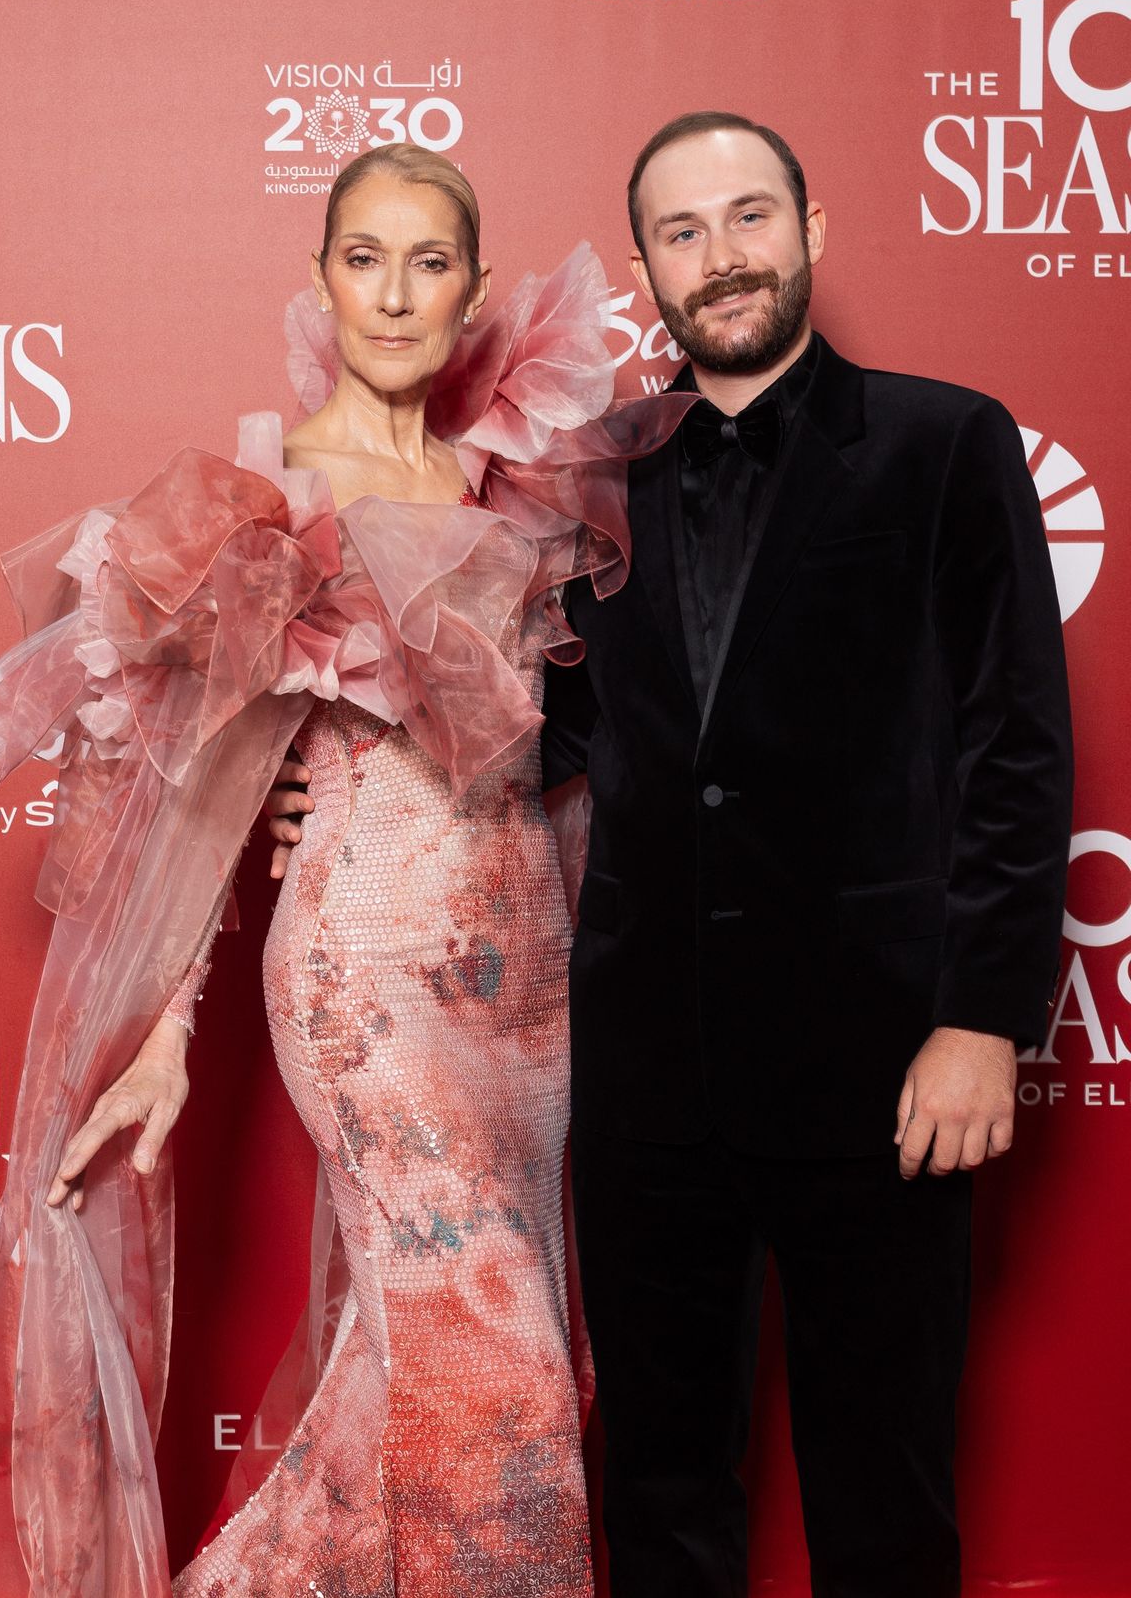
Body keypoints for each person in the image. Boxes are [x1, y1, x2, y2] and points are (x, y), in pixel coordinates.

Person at [270, 111, 1074, 1598]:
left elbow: (1016, 750)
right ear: (644, 266)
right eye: (684, 233)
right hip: (642, 1071)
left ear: (811, 231)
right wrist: (327, 784)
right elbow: (535, 730)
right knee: (659, 1490)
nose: (723, 257)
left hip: (882, 1062)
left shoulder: (945, 441)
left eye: (750, 219)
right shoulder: (583, 473)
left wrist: (981, 1021)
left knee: (882, 1486)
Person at [0, 144, 673, 1598]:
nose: (394, 295)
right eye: (364, 260)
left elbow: (578, 736)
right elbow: (187, 781)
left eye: (429, 263)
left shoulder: (510, 474)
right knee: (492, 1364)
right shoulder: (266, 505)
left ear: (471, 295)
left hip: (526, 980)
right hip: (363, 975)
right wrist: (168, 1032)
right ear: (322, 284)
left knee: (417, 1373)